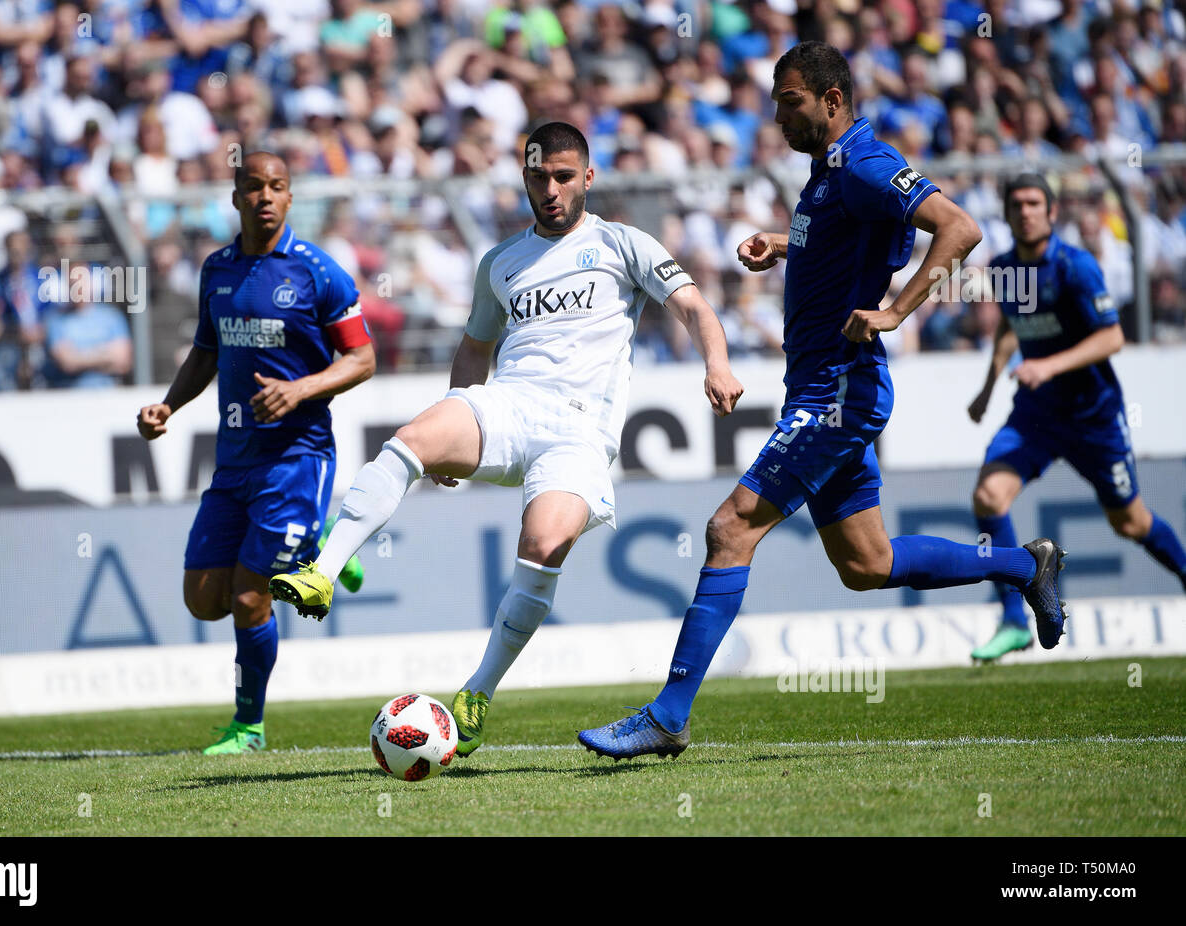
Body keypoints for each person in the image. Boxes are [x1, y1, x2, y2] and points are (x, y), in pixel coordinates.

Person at [577, 42, 1069, 761]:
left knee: (729, 529)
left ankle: (668, 715)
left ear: (832, 101)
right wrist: (787, 244)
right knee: (865, 564)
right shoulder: (828, 175)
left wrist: (898, 311)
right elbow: (853, 241)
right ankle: (1026, 567)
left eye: (790, 101)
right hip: (818, 385)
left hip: (839, 388)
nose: (777, 116)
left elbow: (960, 229)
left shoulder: (865, 163)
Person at [269, 121, 744, 756]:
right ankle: (322, 573)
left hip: (579, 430)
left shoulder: (622, 243)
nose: (550, 189)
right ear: (524, 177)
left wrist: (716, 362)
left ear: (588, 178)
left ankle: (477, 693)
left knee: (544, 545)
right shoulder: (500, 262)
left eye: (564, 176)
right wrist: (457, 414)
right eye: (538, 177)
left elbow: (691, 306)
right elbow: (474, 351)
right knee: (410, 439)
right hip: (511, 404)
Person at [136, 151, 375, 754]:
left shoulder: (321, 273)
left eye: (277, 186)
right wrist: (168, 405)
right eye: (253, 187)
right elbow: (206, 352)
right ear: (236, 197)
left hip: (297, 458)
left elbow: (362, 359)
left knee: (248, 597)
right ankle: (314, 544)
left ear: (290, 198)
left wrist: (300, 389)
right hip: (233, 461)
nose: (265, 196)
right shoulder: (217, 270)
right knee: (204, 601)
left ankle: (249, 726)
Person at [966, 173, 1186, 662]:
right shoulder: (1004, 269)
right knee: (988, 494)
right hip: (1036, 416)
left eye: (1034, 203)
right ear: (1006, 212)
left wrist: (1048, 364)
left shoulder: (1075, 266)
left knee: (1130, 522)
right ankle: (1013, 619)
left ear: (1051, 212)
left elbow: (1112, 338)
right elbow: (1009, 324)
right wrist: (986, 387)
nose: (1025, 211)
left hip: (1094, 416)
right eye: (1016, 203)